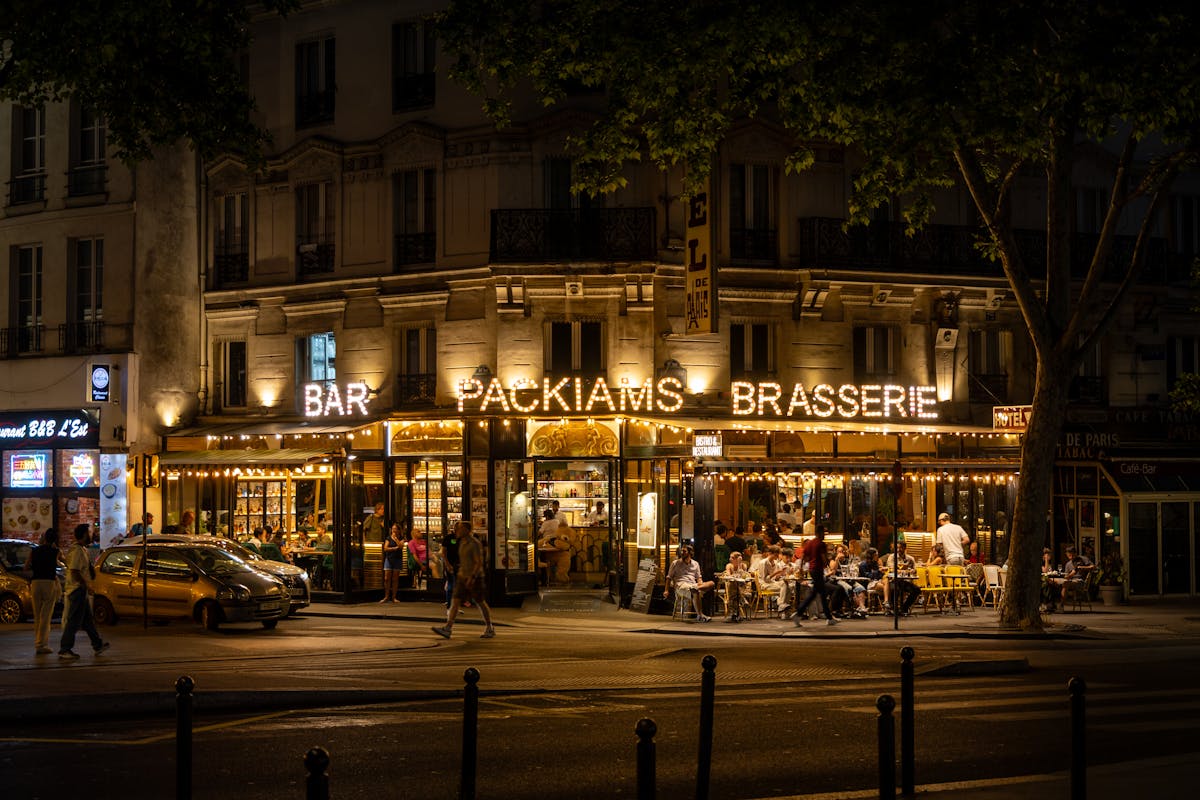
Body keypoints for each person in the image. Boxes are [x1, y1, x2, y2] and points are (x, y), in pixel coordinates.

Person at [432, 520, 495, 639]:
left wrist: (472, 577)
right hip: (462, 576)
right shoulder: (462, 542)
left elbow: (478, 562)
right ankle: (448, 628)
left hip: (474, 577)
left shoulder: (474, 543)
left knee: (480, 602)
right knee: (455, 602)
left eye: (460, 528)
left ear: (466, 530)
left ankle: (489, 627)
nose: (457, 530)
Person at [59, 523, 109, 660]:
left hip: (81, 590)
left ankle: (97, 645)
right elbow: (75, 571)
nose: (91, 535)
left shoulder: (82, 550)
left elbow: (82, 569)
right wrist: (85, 585)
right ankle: (65, 649)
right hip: (77, 590)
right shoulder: (77, 551)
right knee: (74, 621)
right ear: (83, 535)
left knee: (87, 621)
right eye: (89, 533)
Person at [26, 528, 62, 655]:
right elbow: (63, 562)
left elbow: (26, 566)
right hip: (49, 583)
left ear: (44, 538)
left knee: (37, 615)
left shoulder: (34, 551)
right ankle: (42, 644)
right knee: (45, 616)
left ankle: (38, 643)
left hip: (35, 583)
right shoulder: (56, 551)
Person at [792, 526, 838, 626]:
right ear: (819, 533)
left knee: (818, 593)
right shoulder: (821, 544)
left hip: (812, 570)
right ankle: (799, 613)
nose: (824, 535)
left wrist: (800, 567)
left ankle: (828, 617)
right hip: (817, 569)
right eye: (823, 533)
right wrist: (826, 567)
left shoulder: (810, 543)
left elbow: (804, 555)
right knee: (818, 594)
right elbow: (823, 557)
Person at [663, 545, 714, 621]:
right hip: (681, 585)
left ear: (690, 553)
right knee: (695, 591)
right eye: (681, 551)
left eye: (684, 551)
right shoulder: (675, 563)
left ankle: (696, 589)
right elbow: (668, 578)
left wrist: (701, 583)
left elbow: (699, 577)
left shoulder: (695, 564)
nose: (682, 553)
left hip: (693, 584)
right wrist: (666, 590)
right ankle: (700, 615)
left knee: (711, 583)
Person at [1048, 546, 1093, 610]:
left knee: (1066, 583)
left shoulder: (1082, 559)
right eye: (1068, 554)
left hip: (1080, 581)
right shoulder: (1068, 564)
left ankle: (1061, 605)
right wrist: (1063, 576)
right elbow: (1067, 576)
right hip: (1070, 580)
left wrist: (1082, 567)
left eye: (1072, 554)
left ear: (1075, 553)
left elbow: (1093, 567)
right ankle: (1051, 604)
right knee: (1050, 580)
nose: (1070, 556)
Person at [882, 540, 920, 616]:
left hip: (905, 581)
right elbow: (891, 569)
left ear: (905, 548)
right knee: (896, 589)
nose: (898, 550)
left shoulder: (910, 559)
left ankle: (904, 608)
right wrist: (905, 570)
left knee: (916, 590)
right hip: (893, 580)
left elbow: (915, 570)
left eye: (901, 548)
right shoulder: (892, 557)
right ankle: (893, 608)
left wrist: (912, 570)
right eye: (897, 548)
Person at [721, 552, 753, 621]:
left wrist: (739, 564)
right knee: (734, 584)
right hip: (732, 587)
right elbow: (729, 575)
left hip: (742, 586)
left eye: (732, 558)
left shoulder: (743, 565)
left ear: (737, 559)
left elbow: (744, 575)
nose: (730, 559)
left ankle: (739, 603)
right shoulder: (729, 565)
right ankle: (742, 599)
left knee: (735, 587)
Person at [380, 523, 405, 602]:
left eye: (395, 529)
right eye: (393, 529)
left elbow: (401, 547)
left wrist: (396, 539)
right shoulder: (388, 538)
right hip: (389, 559)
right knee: (387, 578)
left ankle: (394, 597)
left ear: (398, 530)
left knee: (395, 579)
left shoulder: (401, 538)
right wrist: (394, 548)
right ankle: (386, 596)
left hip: (397, 559)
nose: (393, 530)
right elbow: (385, 548)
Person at [439, 522, 461, 613]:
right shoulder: (449, 538)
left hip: (460, 566)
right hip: (451, 565)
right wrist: (447, 565)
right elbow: (443, 552)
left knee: (457, 587)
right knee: (451, 586)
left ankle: (455, 607)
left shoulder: (462, 538)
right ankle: (449, 607)